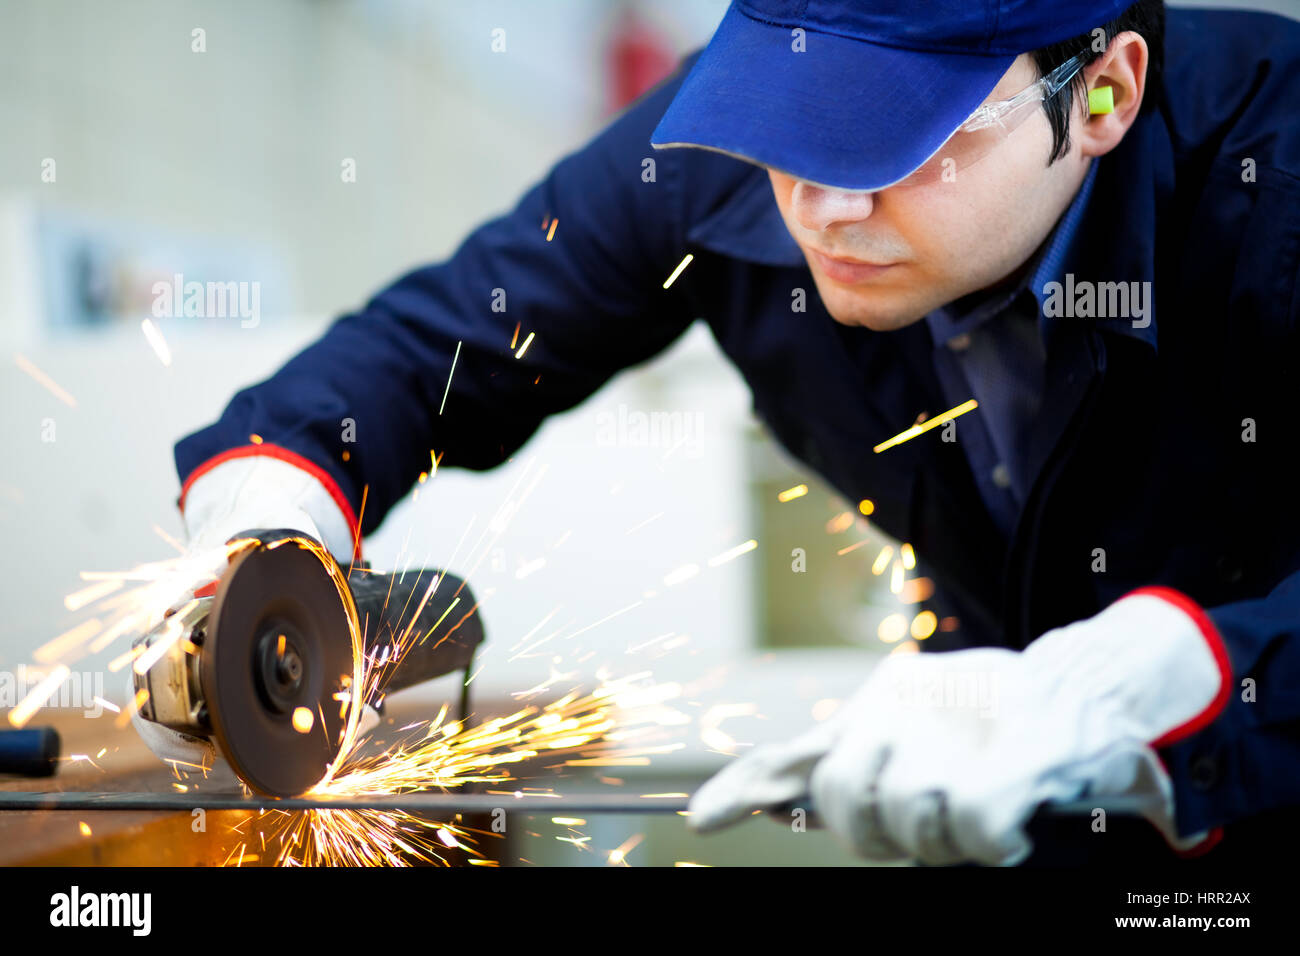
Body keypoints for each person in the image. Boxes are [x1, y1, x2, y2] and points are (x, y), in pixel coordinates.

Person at [151, 0, 1300, 865]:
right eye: (788, 126)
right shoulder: (708, 163)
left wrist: (1148, 676)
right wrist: (266, 533)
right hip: (987, 790)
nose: (819, 206)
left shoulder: (1276, 171)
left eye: (888, 138)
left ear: (1099, 94)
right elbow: (428, 349)